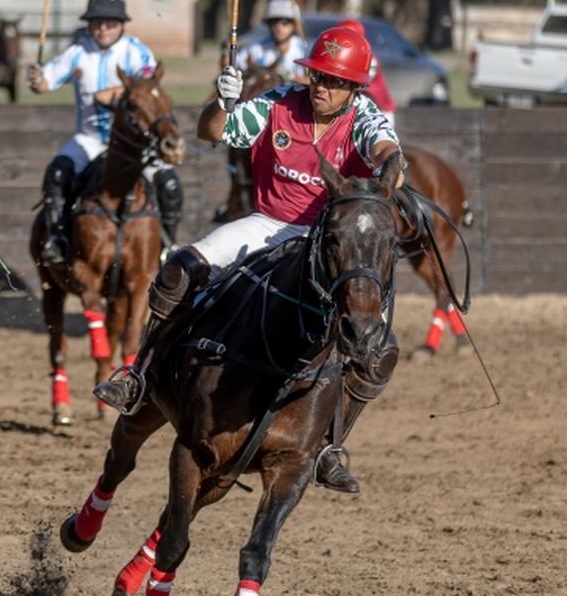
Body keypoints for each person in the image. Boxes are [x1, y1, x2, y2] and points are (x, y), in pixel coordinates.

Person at [95, 25, 404, 493]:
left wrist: (387, 166)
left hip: (329, 240)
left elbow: (385, 150)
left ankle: (329, 445)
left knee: (378, 349)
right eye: (317, 76)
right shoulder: (280, 103)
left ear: (354, 87)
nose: (321, 87)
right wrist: (222, 103)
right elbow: (211, 131)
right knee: (179, 269)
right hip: (267, 223)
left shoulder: (364, 116)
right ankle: (140, 375)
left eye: (334, 81)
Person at [26, 0, 184, 263]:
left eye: (111, 24)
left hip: (133, 144)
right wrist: (37, 79)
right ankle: (58, 238)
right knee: (57, 173)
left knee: (169, 184)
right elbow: (45, 83)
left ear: (122, 25)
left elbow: (148, 86)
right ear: (89, 25)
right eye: (97, 23)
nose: (104, 29)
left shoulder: (136, 51)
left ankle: (168, 244)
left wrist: (109, 95)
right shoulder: (77, 53)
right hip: (90, 139)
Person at [336, 18, 397, 125]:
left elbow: (358, 84)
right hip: (360, 108)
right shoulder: (346, 56)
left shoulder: (368, 59)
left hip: (379, 112)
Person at [235, 0, 309, 84]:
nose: (279, 27)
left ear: (294, 25)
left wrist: (290, 77)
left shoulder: (305, 50)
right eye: (274, 22)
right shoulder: (256, 50)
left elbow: (313, 83)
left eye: (285, 22)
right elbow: (234, 64)